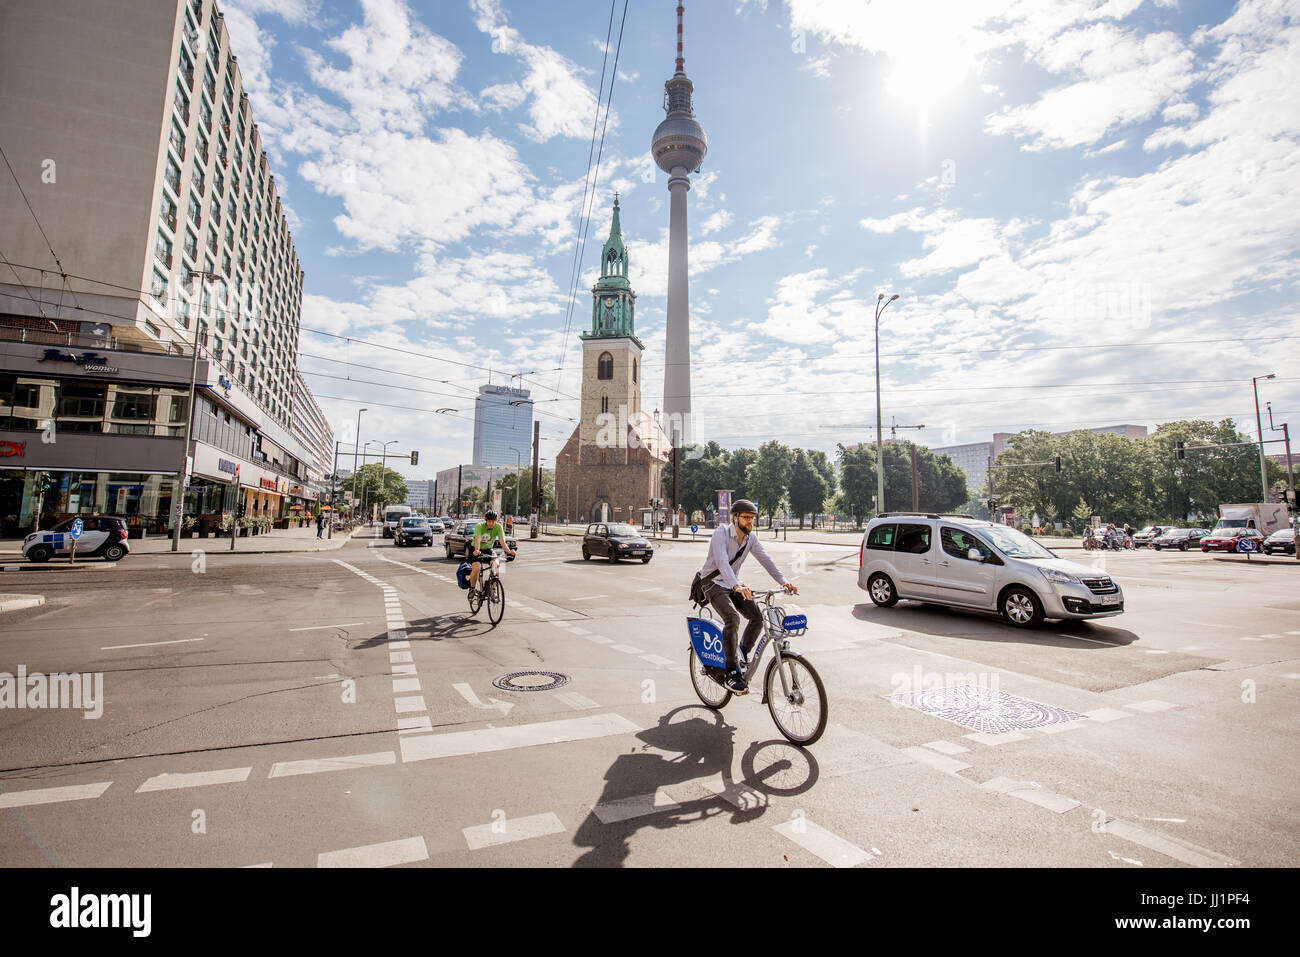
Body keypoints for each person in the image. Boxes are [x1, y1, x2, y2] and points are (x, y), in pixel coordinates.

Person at [697, 498, 798, 694]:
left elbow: (765, 559)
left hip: (734, 582)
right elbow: (722, 562)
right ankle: (731, 672)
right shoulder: (721, 534)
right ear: (735, 518)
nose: (750, 522)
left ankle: (740, 653)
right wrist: (736, 584)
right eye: (745, 518)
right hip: (713, 583)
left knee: (757, 617)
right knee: (732, 618)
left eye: (752, 518)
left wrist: (783, 581)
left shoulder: (751, 538)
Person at [469, 510, 516, 590]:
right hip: (476, 550)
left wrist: (509, 552)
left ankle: (493, 590)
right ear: (486, 520)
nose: (491, 523)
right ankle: (472, 588)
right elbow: (477, 540)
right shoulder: (479, 526)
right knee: (477, 568)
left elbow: (502, 542)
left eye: (493, 521)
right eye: (489, 521)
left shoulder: (498, 527)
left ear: (496, 521)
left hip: (488, 550)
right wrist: (477, 550)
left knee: (497, 566)